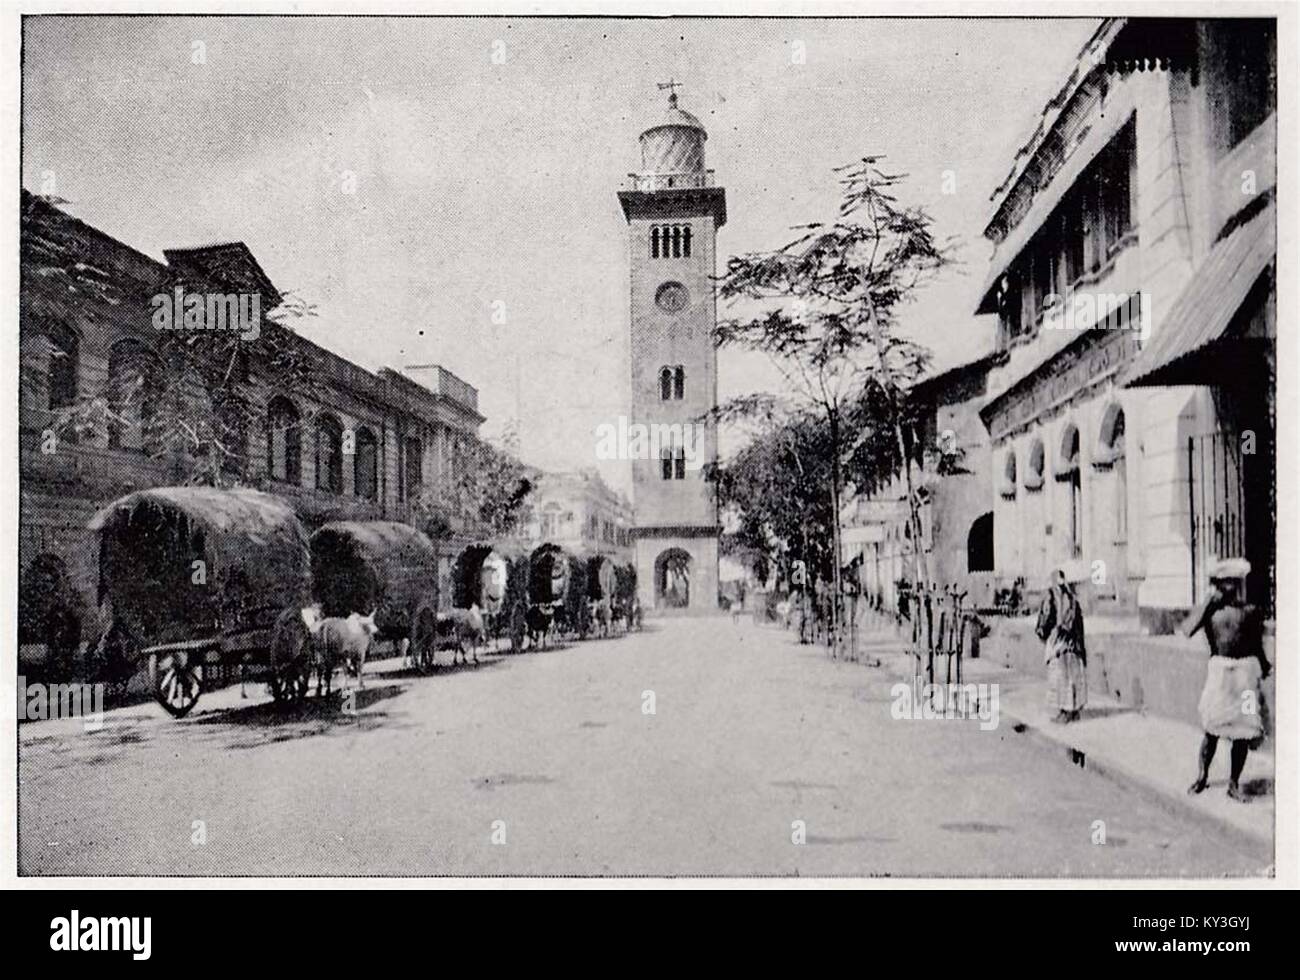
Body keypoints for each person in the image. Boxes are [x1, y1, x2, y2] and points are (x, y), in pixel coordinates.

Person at [1183, 558, 1270, 802]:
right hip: (1219, 673)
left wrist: (1263, 666)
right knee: (1212, 729)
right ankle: (1202, 777)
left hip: (1245, 674)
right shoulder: (1210, 612)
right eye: (1222, 584)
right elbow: (1187, 629)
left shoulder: (1250, 611)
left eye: (1231, 584)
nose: (1227, 589)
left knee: (1243, 732)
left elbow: (1256, 644)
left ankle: (1233, 783)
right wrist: (1206, 603)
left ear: (1239, 584)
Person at [1035, 569, 1087, 723]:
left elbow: (1045, 620)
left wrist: (1042, 633)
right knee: (1072, 677)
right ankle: (1074, 711)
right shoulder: (1073, 600)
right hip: (1073, 645)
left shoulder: (1052, 597)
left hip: (1058, 642)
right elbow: (1078, 625)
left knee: (1060, 677)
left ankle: (1065, 712)